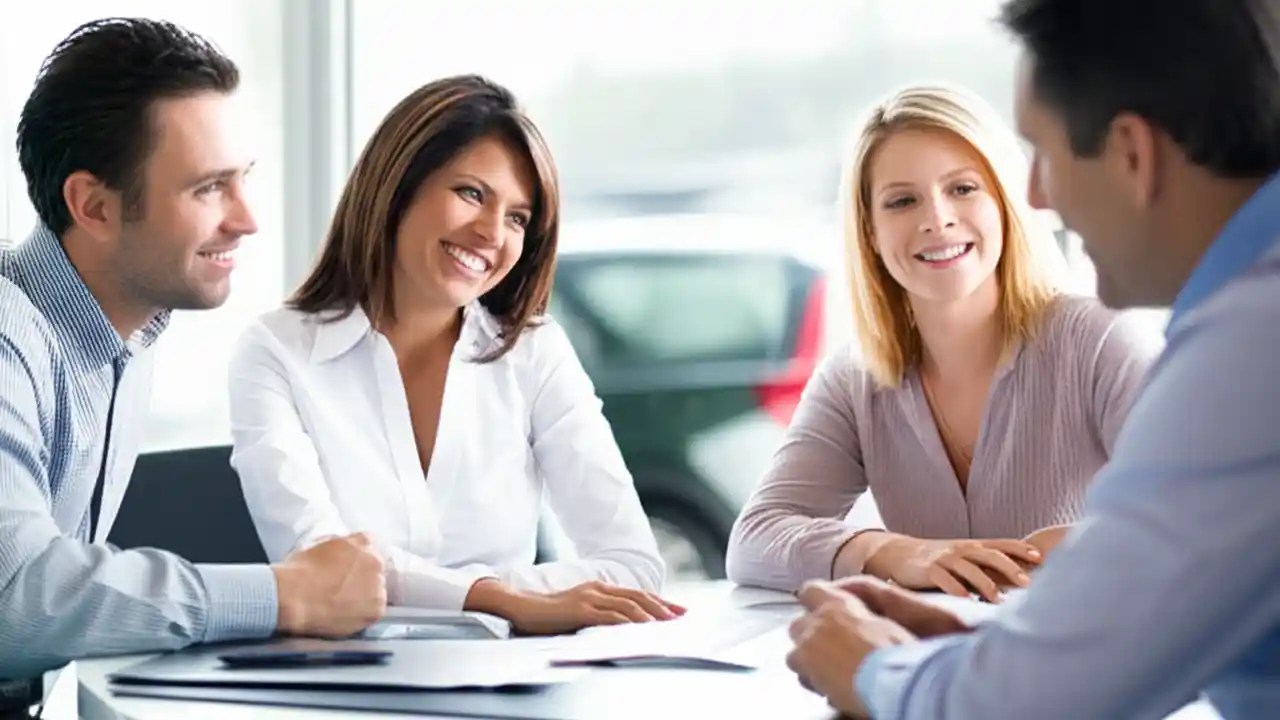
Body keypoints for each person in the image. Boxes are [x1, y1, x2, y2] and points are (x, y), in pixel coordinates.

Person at [785, 0, 1280, 717]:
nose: (1036, 196)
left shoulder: (1245, 358)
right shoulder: (1248, 320)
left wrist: (875, 668)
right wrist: (978, 650)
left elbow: (1031, 703)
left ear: (1131, 154)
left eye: (1041, 155)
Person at [0, 18, 387, 680]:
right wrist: (287, 593)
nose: (247, 218)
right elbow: (14, 601)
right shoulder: (10, 337)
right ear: (92, 206)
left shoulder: (129, 332)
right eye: (208, 187)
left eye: (243, 178)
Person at [228, 74, 680, 635]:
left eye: (518, 218)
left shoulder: (534, 352)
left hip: (508, 684)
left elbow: (633, 565)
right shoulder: (274, 352)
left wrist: (495, 597)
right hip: (346, 682)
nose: (493, 232)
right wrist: (505, 600)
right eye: (471, 193)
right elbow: (326, 566)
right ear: (397, 187)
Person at [726, 84, 1158, 602]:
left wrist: (1085, 543)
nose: (936, 218)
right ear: (870, 231)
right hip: (936, 668)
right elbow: (754, 539)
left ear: (1005, 202)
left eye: (962, 189)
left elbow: (1207, 512)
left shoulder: (1099, 340)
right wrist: (895, 552)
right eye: (902, 201)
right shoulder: (853, 379)